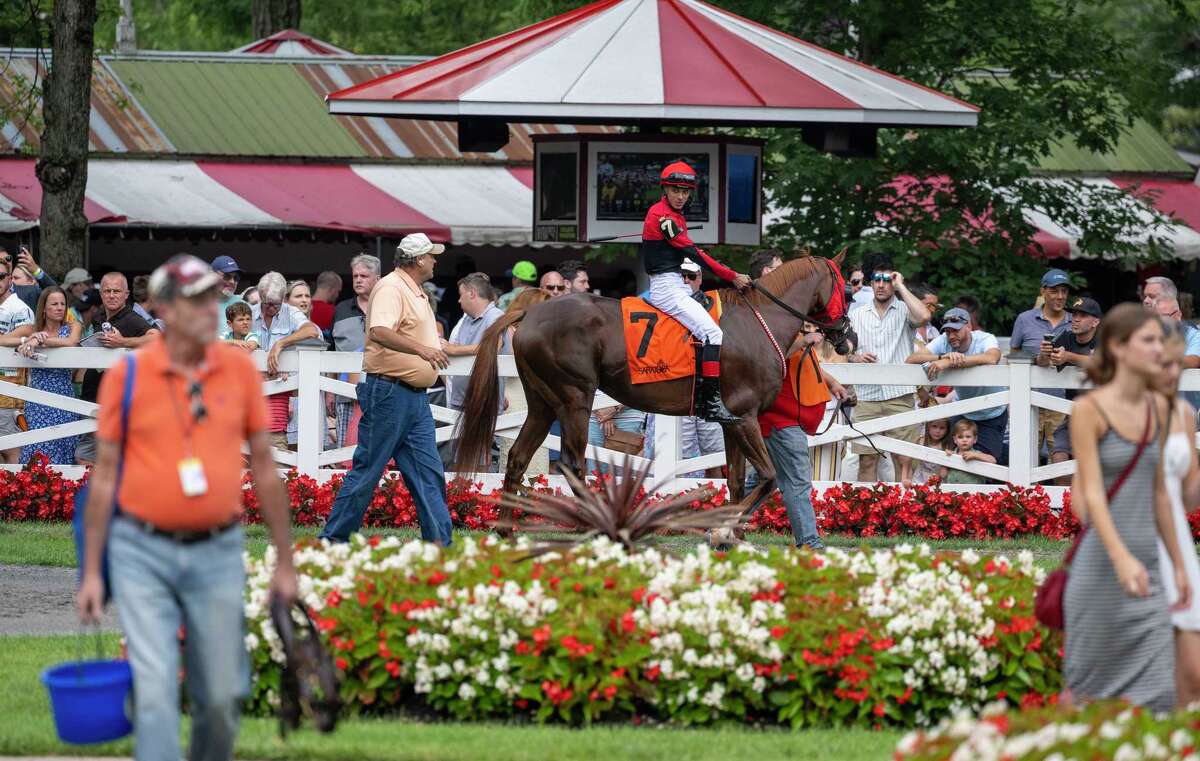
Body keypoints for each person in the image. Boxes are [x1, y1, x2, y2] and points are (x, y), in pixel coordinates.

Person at [77, 254, 297, 761]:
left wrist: (285, 561)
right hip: (140, 549)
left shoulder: (237, 372)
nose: (208, 310)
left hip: (217, 549)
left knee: (220, 697)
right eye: (195, 300)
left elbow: (264, 467)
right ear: (165, 310)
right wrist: (91, 572)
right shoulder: (127, 376)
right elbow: (103, 475)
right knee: (154, 691)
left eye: (210, 298)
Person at [1063, 303, 1190, 713]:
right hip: (1101, 564)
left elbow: (1161, 496)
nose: (1159, 348)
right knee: (1088, 692)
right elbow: (1092, 494)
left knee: (1160, 695)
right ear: (1117, 347)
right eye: (1148, 340)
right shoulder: (1089, 408)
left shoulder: (1163, 409)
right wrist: (1119, 557)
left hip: (1150, 566)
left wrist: (1180, 564)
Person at [320, 233, 455, 545]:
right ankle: (333, 539)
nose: (435, 260)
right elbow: (379, 330)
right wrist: (422, 351)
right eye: (432, 256)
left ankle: (440, 544)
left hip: (411, 396)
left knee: (428, 472)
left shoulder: (413, 289)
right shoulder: (392, 287)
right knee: (368, 471)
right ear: (419, 260)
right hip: (390, 393)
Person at [640, 160, 751, 423]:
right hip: (667, 287)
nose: (680, 196)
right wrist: (732, 276)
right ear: (665, 189)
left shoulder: (670, 216)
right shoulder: (664, 216)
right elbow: (693, 253)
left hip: (676, 283)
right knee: (713, 333)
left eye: (685, 191)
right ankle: (710, 404)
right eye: (675, 190)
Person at [758, 322, 850, 550]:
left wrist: (832, 382)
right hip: (781, 421)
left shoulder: (791, 331)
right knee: (797, 481)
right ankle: (809, 543)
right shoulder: (781, 330)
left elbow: (806, 362)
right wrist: (804, 340)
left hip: (783, 422)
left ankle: (721, 528)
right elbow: (775, 354)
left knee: (763, 481)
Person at [846, 253, 931, 482]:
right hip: (867, 397)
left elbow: (924, 315)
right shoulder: (856, 315)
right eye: (877, 279)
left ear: (893, 281)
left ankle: (904, 517)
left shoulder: (905, 310)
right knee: (866, 461)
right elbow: (844, 353)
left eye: (887, 279)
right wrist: (856, 358)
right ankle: (866, 516)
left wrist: (901, 285)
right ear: (870, 282)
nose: (881, 285)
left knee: (903, 463)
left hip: (899, 396)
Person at [1150, 321, 1200, 704]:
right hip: (1134, 532)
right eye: (1162, 364)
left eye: (1175, 365)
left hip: (1176, 538)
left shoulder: (1183, 412)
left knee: (1193, 674)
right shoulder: (1113, 410)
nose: (1171, 373)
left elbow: (1188, 496)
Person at [906, 307, 1007, 463]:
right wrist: (941, 356)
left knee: (988, 464)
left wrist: (948, 363)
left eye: (956, 330)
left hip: (992, 411)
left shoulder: (984, 338)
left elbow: (992, 358)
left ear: (969, 327)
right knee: (951, 459)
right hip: (962, 409)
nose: (951, 336)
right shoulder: (944, 341)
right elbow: (911, 359)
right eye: (948, 332)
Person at [77, 273, 159, 466]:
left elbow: (156, 337)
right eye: (107, 291)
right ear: (101, 293)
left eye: (117, 291)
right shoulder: (98, 315)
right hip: (92, 395)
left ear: (126, 294)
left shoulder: (132, 318)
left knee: (103, 456)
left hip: (118, 399)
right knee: (85, 457)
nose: (112, 295)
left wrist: (123, 342)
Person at [441, 272, 505, 470]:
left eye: (461, 295)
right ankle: (466, 499)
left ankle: (475, 500)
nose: (458, 300)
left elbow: (493, 346)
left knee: (478, 461)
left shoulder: (496, 316)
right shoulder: (467, 319)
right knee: (463, 459)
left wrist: (452, 349)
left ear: (472, 294)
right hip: (463, 399)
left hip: (481, 399)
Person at [252, 273, 320, 451]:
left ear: (283, 298)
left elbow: (311, 331)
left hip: (284, 395)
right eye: (266, 303)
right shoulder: (249, 314)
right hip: (254, 393)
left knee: (287, 449)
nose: (271, 308)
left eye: (276, 304)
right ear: (260, 297)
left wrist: (281, 343)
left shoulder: (291, 313)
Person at [14, 287, 82, 464]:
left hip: (64, 397)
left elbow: (70, 342)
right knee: (36, 450)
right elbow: (3, 339)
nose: (60, 308)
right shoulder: (31, 329)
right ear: (44, 308)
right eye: (54, 304)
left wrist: (40, 340)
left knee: (64, 450)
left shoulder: (73, 326)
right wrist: (27, 339)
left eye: (63, 304)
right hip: (37, 400)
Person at [1012, 268, 1072, 457]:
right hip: (1028, 401)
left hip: (1063, 403)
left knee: (1061, 462)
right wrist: (1038, 359)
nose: (1060, 296)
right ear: (1043, 291)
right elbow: (1014, 355)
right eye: (1054, 291)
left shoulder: (1075, 321)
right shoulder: (1024, 319)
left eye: (1064, 291)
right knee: (1025, 458)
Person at [498, 288, 552, 476]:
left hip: (538, 397)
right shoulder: (508, 330)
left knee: (540, 449)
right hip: (514, 396)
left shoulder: (544, 332)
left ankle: (538, 494)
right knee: (513, 446)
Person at [1048, 297, 1101, 482]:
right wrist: (1044, 354)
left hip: (1102, 415)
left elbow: (1103, 362)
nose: (1076, 319)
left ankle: (1085, 507)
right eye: (1075, 314)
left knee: (1085, 461)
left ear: (1096, 322)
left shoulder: (1105, 337)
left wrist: (1068, 356)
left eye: (1083, 315)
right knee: (1058, 457)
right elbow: (1041, 361)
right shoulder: (1066, 336)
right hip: (1071, 412)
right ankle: (1065, 508)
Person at [331, 254, 381, 449]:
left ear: (377, 279)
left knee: (379, 450)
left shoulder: (387, 307)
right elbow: (332, 351)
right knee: (346, 451)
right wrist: (330, 393)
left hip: (380, 391)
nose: (358, 280)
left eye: (364, 276)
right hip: (344, 393)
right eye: (355, 276)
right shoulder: (341, 309)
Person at [0, 259, 35, 463]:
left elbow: (27, 333)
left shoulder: (19, 308)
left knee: (12, 451)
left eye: (1, 276)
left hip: (9, 393)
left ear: (10, 278)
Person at [938, 419, 996, 484]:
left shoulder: (976, 454)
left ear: (975, 439)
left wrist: (975, 455)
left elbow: (993, 460)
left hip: (973, 491)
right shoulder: (952, 454)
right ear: (955, 439)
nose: (964, 440)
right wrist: (946, 460)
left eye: (968, 437)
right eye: (960, 437)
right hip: (953, 491)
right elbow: (942, 475)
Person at [0, 245, 58, 311]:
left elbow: (57, 294)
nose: (7, 263)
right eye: (1, 261)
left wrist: (36, 271)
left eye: (8, 258)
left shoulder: (31, 292)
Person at [908, 416, 950, 485]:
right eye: (934, 426)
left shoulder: (946, 445)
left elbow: (945, 470)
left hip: (938, 480)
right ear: (928, 427)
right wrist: (907, 477)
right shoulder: (921, 441)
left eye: (942, 428)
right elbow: (908, 459)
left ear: (947, 430)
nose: (937, 431)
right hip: (919, 478)